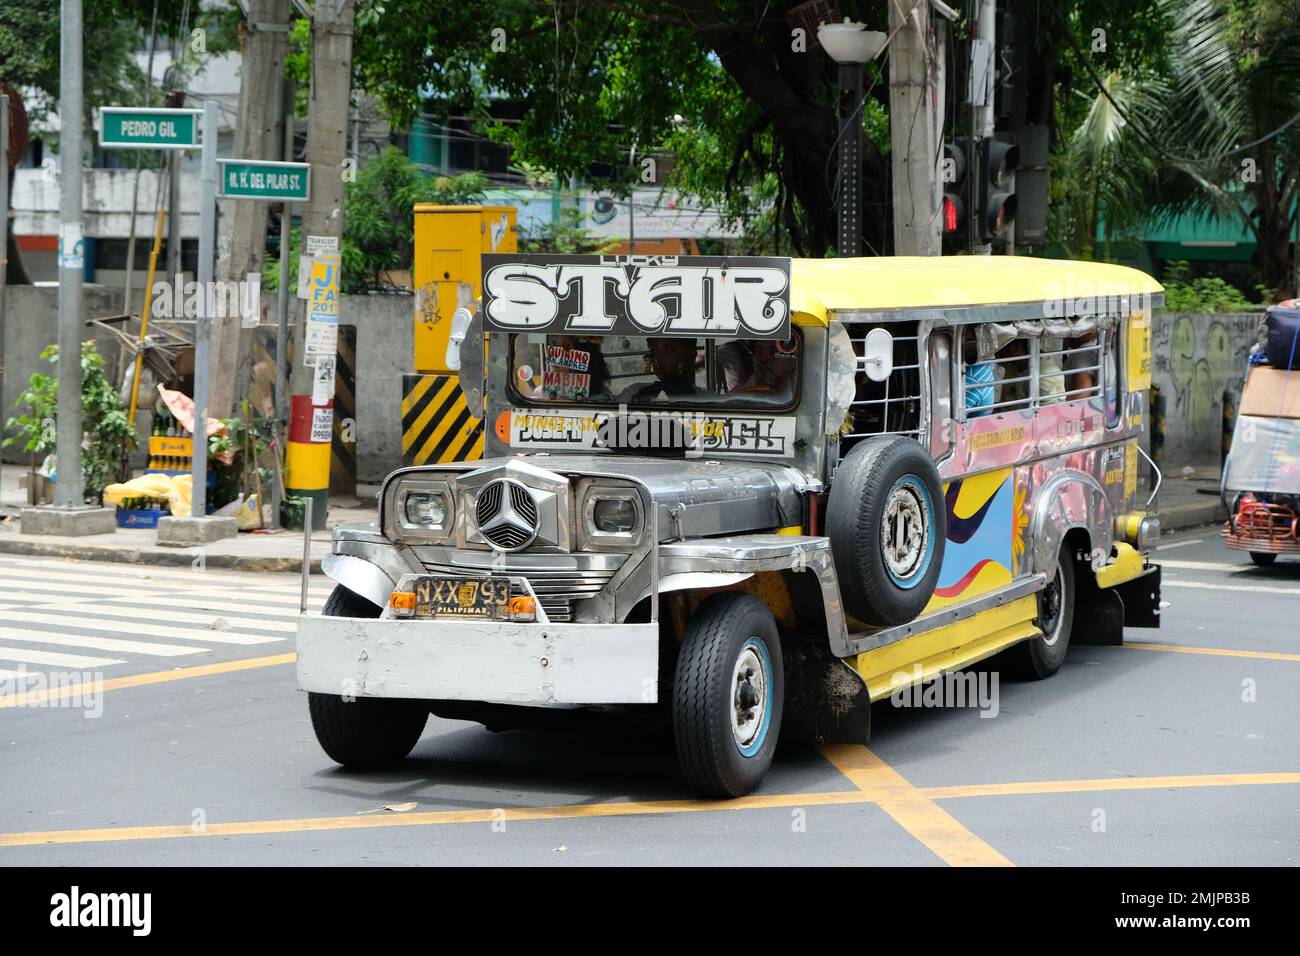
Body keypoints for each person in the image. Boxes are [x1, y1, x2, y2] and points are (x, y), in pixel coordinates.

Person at [619, 337, 707, 402]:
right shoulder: (635, 392)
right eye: (655, 351)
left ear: (690, 356)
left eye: (667, 350)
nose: (659, 358)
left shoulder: (706, 400)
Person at [731, 336, 798, 399]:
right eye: (759, 352)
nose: (764, 358)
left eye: (773, 351)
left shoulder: (800, 384)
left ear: (791, 359)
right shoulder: (752, 381)